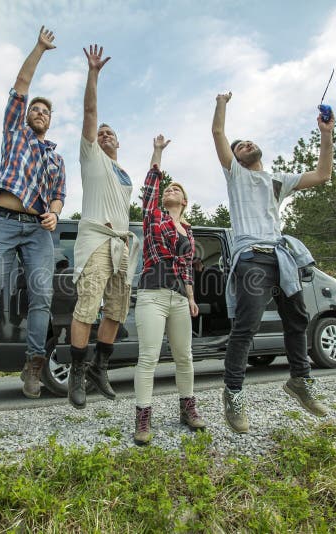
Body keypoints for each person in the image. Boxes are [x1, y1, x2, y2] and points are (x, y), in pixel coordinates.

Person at [211, 91, 335, 433]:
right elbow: (218, 135)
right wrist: (222, 103)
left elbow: (322, 175)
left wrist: (326, 134)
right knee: (246, 326)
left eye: (248, 142)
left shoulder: (277, 180)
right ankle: (233, 394)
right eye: (240, 146)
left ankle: (300, 381)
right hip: (251, 258)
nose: (245, 144)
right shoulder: (236, 176)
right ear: (235, 159)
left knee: (298, 320)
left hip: (281, 257)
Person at [0, 26, 66, 399]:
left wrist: (55, 214)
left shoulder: (55, 157)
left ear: (51, 120)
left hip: (38, 231)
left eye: (45, 112)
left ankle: (34, 364)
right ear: (26, 115)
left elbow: (58, 195)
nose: (39, 113)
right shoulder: (15, 132)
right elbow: (22, 83)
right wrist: (40, 48)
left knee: (42, 296)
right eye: (35, 109)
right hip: (3, 222)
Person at [67, 44, 140, 409]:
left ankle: (100, 367)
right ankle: (77, 376)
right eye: (103, 132)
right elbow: (90, 111)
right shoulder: (91, 155)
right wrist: (93, 73)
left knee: (116, 311)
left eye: (112, 133)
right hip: (97, 240)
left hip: (121, 247)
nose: (106, 134)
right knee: (87, 308)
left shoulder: (124, 174)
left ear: (119, 142)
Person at [132, 134, 206, 445]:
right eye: (168, 189)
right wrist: (157, 151)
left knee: (184, 357)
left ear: (185, 201)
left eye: (177, 189)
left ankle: (188, 410)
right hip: (152, 294)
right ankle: (143, 419)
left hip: (178, 298)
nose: (170, 190)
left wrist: (191, 298)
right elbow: (150, 185)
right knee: (148, 357)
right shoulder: (153, 216)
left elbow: (187, 267)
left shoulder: (188, 229)